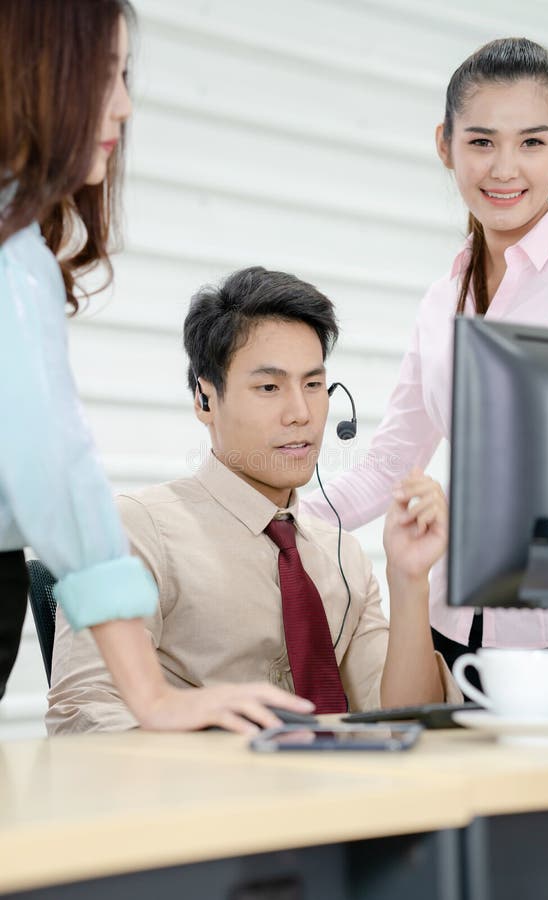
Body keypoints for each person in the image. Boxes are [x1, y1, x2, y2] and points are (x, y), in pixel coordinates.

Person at [0, 0, 311, 731]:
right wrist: (154, 694)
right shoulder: (13, 260)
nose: (125, 106)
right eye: (104, 76)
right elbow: (55, 470)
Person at [302, 37, 548, 694]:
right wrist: (279, 522)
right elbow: (388, 470)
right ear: (445, 144)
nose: (505, 169)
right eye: (482, 141)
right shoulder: (444, 300)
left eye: (532, 142)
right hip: (454, 638)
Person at [46, 267, 461, 734]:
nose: (300, 414)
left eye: (313, 384)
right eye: (269, 387)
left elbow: (405, 719)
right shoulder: (136, 531)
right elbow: (83, 716)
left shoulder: (342, 556)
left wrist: (409, 582)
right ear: (206, 399)